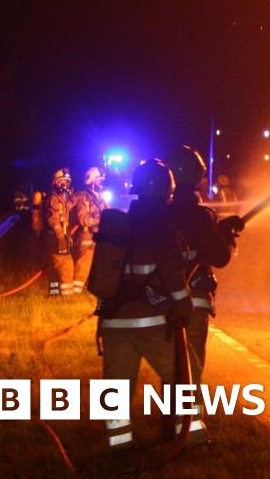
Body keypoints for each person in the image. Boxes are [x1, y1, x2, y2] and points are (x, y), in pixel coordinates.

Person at [95, 158, 196, 455]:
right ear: (166, 190)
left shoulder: (121, 224)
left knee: (115, 389)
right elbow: (173, 273)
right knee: (179, 377)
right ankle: (184, 438)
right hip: (151, 322)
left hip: (113, 321)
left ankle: (119, 445)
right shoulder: (160, 228)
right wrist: (183, 304)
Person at [166, 146, 240, 408]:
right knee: (191, 362)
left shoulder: (163, 213)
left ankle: (172, 420)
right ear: (197, 176)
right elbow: (219, 258)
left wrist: (218, 229)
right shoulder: (201, 216)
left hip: (162, 301)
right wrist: (228, 238)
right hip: (194, 299)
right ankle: (190, 425)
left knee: (172, 362)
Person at [69, 167, 107, 295]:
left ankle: (87, 288)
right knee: (83, 263)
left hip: (97, 235)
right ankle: (75, 291)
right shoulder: (81, 197)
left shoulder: (100, 197)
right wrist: (100, 220)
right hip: (85, 235)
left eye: (102, 180)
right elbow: (84, 220)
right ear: (91, 181)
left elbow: (108, 213)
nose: (101, 183)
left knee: (96, 264)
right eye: (99, 180)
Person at [46, 168, 74, 297]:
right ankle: (67, 295)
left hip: (61, 236)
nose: (64, 184)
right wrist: (60, 237)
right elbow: (53, 220)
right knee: (66, 265)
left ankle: (54, 293)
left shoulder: (62, 198)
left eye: (66, 182)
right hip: (56, 237)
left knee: (54, 266)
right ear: (55, 183)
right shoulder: (53, 199)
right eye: (61, 181)